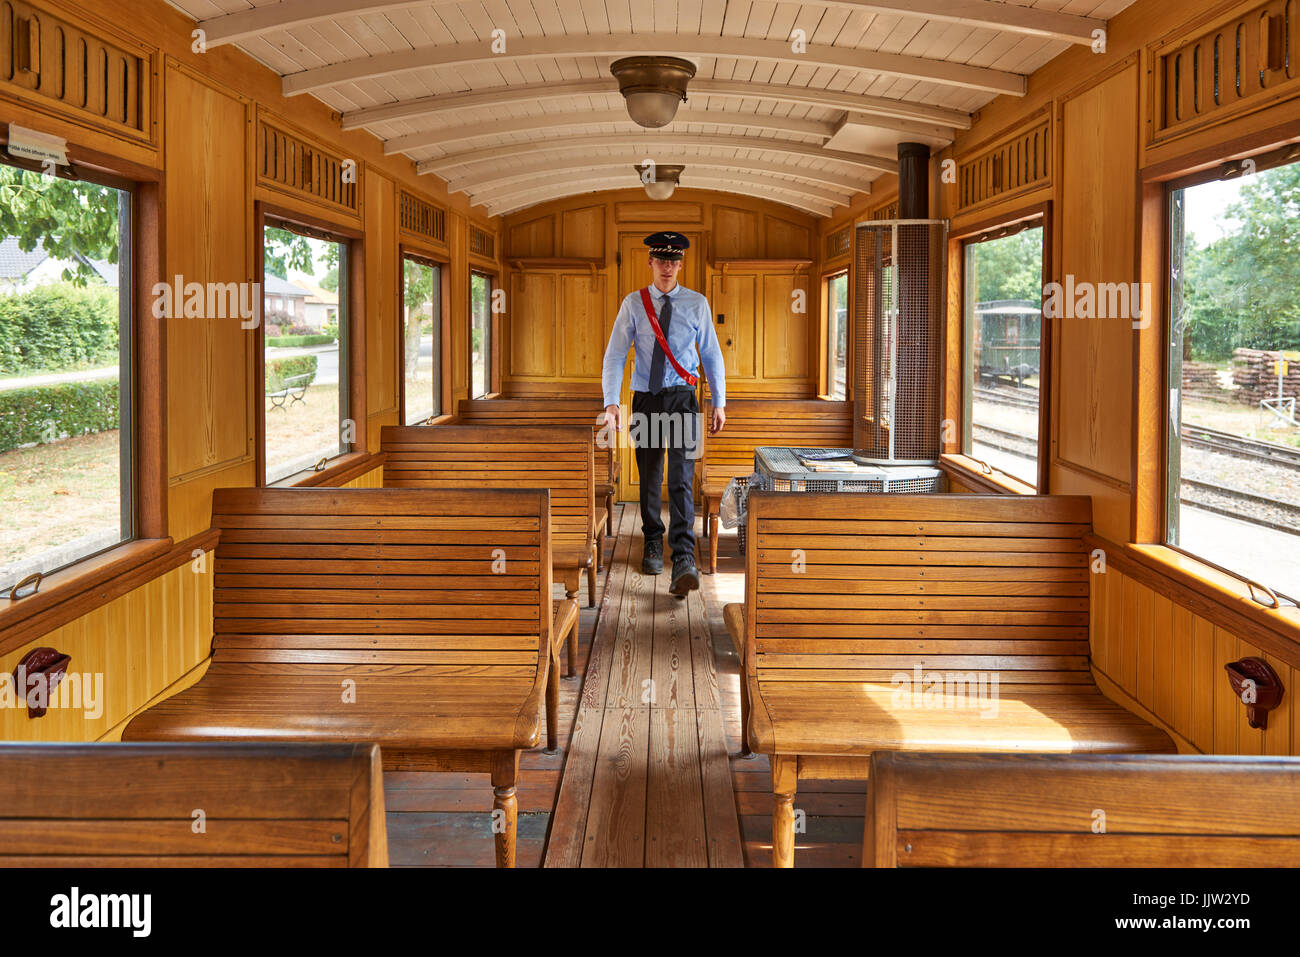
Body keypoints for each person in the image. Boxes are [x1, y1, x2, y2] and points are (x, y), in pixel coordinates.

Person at [601, 231, 726, 596]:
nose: (668, 266)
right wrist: (611, 401)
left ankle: (684, 555)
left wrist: (718, 400)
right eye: (662, 259)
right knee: (651, 473)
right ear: (651, 262)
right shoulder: (633, 303)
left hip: (684, 399)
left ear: (681, 264)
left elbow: (712, 354)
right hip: (647, 399)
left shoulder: (697, 303)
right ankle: (653, 542)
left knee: (682, 478)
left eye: (674, 260)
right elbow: (615, 354)